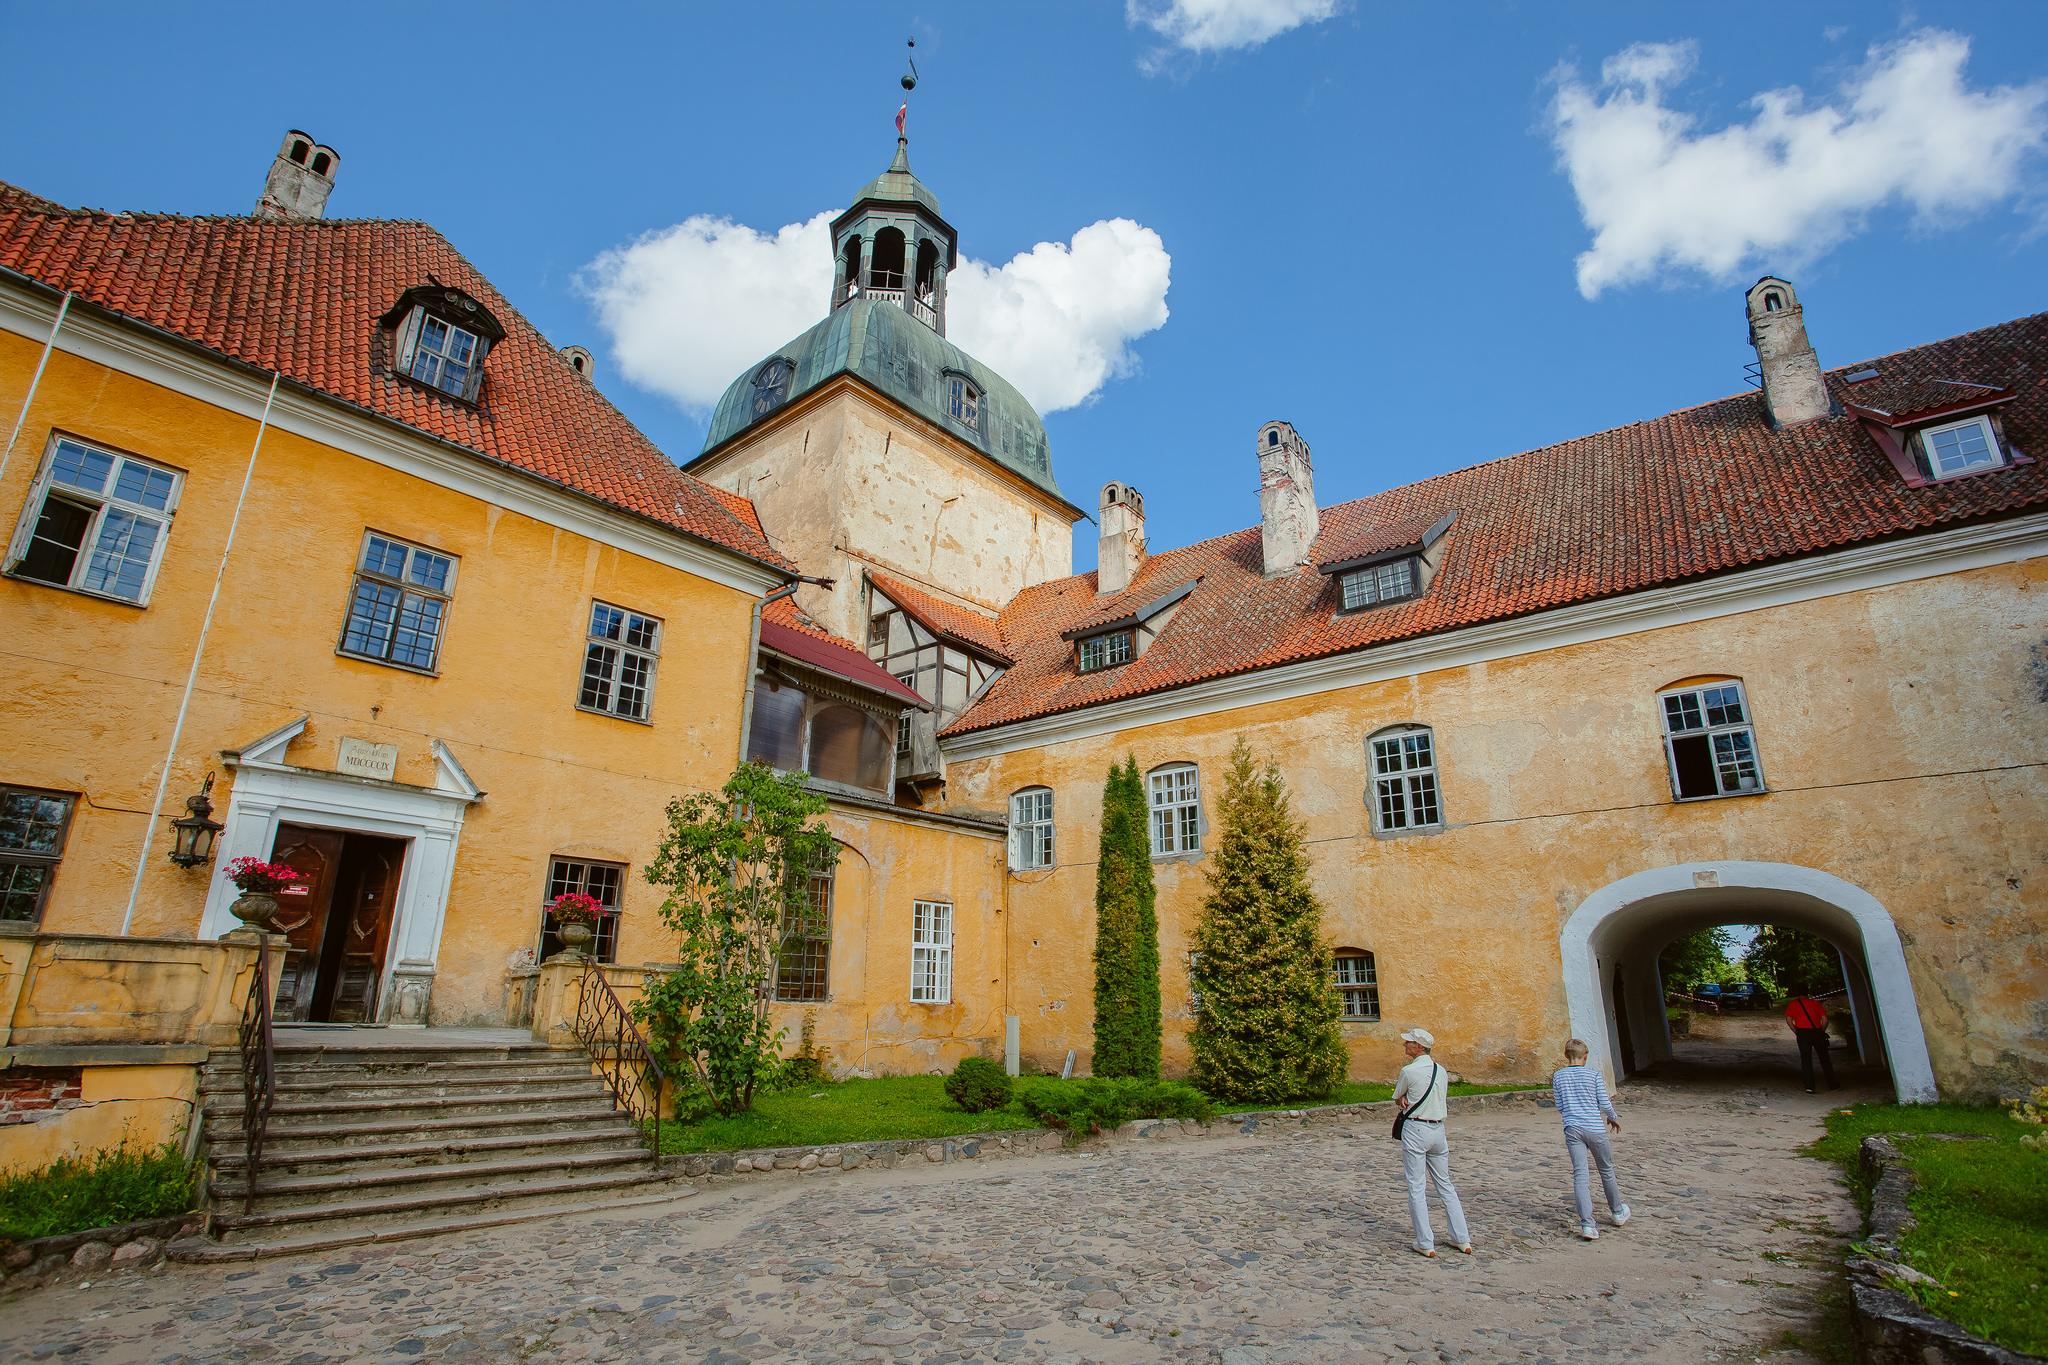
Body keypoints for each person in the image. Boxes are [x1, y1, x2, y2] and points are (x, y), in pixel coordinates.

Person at [1393, 1026, 1472, 1258]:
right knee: (1445, 1185)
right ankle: (1462, 1238)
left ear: (1418, 1047)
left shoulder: (1409, 1071)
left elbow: (1399, 1098)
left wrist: (1404, 1099)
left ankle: (1425, 1241)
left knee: (1417, 1186)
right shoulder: (1441, 1071)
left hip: (1417, 1128)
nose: (1405, 1045)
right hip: (1438, 1129)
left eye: (1409, 1042)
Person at [1551, 1039, 1631, 1240]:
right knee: (1606, 1170)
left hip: (1572, 1128)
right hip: (1595, 1128)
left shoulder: (1558, 1076)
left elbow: (1560, 1106)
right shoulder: (1593, 1075)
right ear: (1585, 1056)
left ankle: (1587, 1225)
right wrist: (1613, 1117)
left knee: (1580, 1175)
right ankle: (1617, 1212)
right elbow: (1604, 1102)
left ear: (1566, 1055)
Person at [1783, 986, 1839, 1093]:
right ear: (1807, 993)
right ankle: (1832, 1084)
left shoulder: (1793, 1004)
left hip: (1802, 1033)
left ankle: (1809, 1086)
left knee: (1806, 1060)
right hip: (1816, 1031)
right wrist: (1821, 1031)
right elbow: (1825, 1019)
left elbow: (1789, 1019)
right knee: (1824, 1059)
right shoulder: (1815, 1003)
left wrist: (1796, 1031)